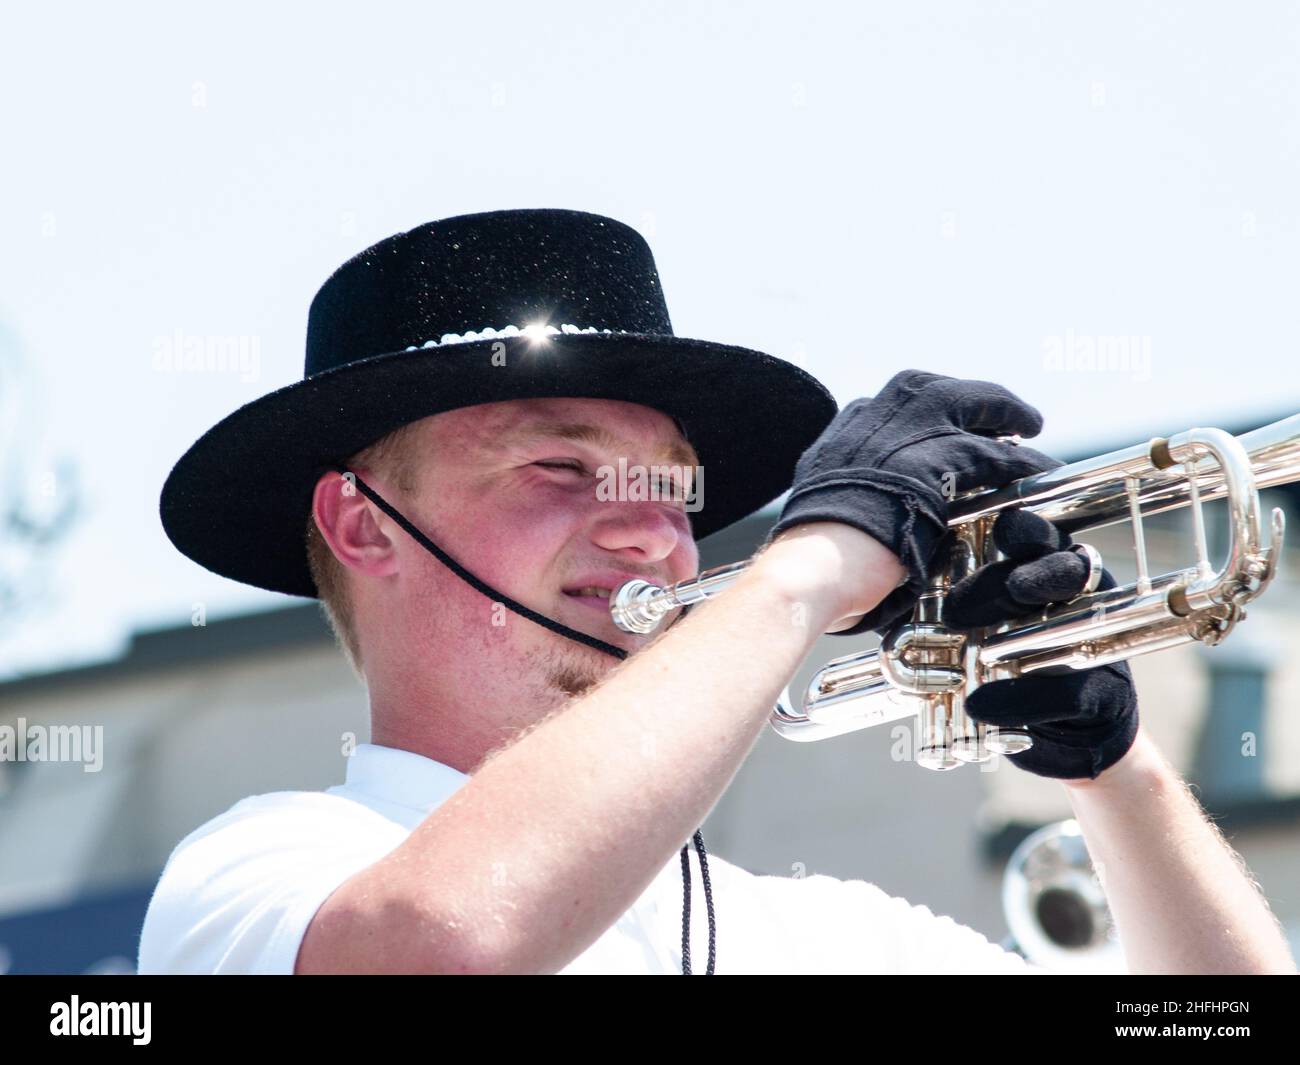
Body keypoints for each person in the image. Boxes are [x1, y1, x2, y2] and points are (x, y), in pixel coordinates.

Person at [139, 208, 1295, 975]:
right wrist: (812, 564)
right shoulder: (260, 872)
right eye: (557, 467)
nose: (653, 533)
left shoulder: (829, 933)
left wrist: (1114, 770)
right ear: (362, 524)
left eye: (674, 491)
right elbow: (446, 946)